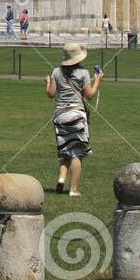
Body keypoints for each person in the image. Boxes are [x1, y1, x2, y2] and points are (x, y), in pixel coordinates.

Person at [46, 42, 103, 196]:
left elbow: (51, 94)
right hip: (76, 114)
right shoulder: (83, 73)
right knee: (77, 153)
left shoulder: (56, 72)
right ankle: (73, 189)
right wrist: (97, 80)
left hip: (60, 115)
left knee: (65, 150)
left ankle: (61, 178)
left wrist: (48, 83)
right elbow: (90, 95)